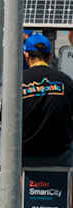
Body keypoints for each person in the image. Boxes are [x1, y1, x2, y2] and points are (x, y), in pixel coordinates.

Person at [21, 32, 73, 165]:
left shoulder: (17, 82)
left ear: (26, 55)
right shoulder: (66, 81)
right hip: (60, 157)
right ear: (49, 56)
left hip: (26, 156)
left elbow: (5, 122)